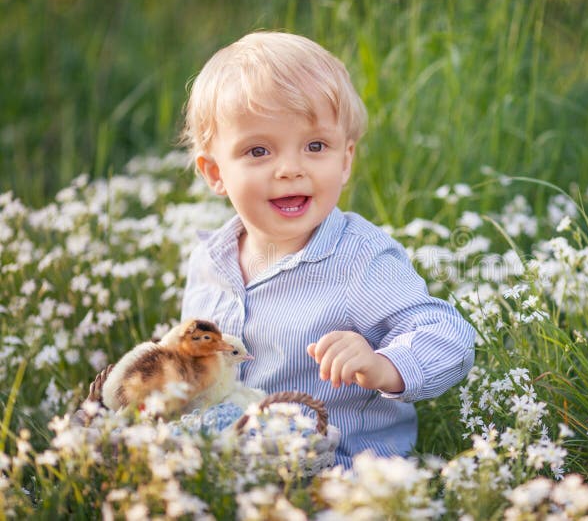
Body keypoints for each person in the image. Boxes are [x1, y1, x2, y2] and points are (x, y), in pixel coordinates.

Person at [179, 31, 475, 467]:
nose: (290, 169)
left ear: (346, 159)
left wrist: (381, 365)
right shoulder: (210, 260)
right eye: (258, 150)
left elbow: (448, 335)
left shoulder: (361, 258)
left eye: (315, 146)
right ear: (214, 172)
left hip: (342, 470)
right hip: (237, 463)